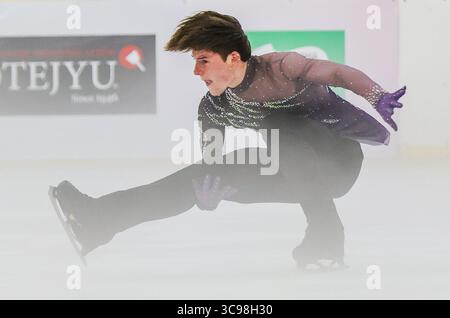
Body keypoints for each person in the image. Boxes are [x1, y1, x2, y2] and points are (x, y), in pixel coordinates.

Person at [49, 11, 406, 269]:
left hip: (337, 161)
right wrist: (207, 191)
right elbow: (212, 163)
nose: (196, 71)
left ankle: (326, 236)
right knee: (194, 177)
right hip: (289, 168)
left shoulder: (282, 67)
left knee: (277, 123)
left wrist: (376, 95)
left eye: (203, 60)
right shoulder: (213, 109)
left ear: (232, 58)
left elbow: (337, 73)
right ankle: (98, 220)